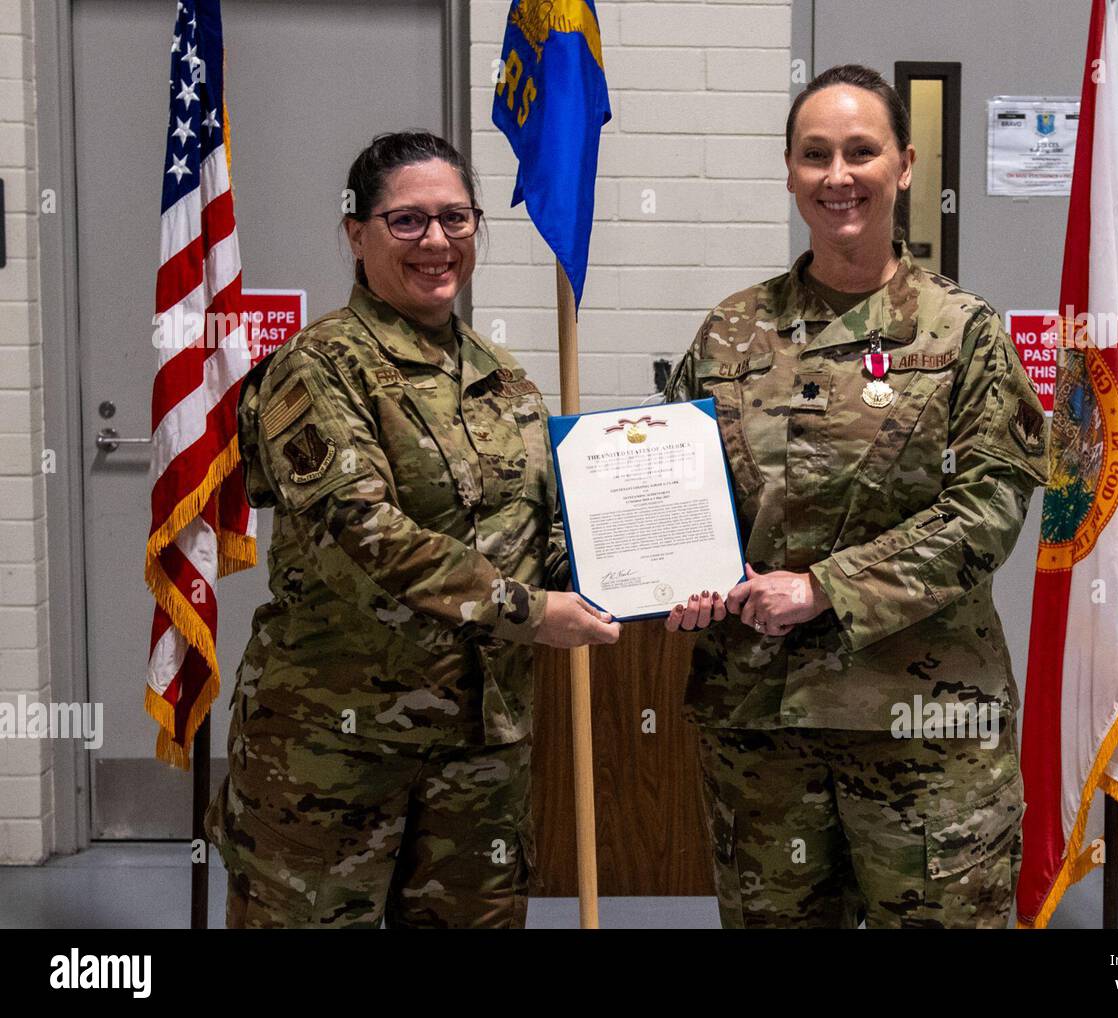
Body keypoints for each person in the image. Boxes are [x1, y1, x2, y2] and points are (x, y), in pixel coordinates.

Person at [664, 65, 1049, 929]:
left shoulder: (965, 332)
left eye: (861, 152)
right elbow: (680, 490)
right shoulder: (731, 331)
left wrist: (826, 588)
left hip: (922, 726)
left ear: (905, 165)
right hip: (760, 726)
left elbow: (987, 509)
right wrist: (671, 576)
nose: (838, 176)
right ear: (791, 172)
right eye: (815, 155)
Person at [204, 131, 620, 929]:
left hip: (478, 753)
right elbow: (367, 532)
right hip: (334, 752)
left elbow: (543, 537)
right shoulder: (318, 367)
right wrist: (535, 614)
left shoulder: (506, 380)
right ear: (356, 234)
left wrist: (639, 578)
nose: (436, 242)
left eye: (456, 219)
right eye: (406, 222)